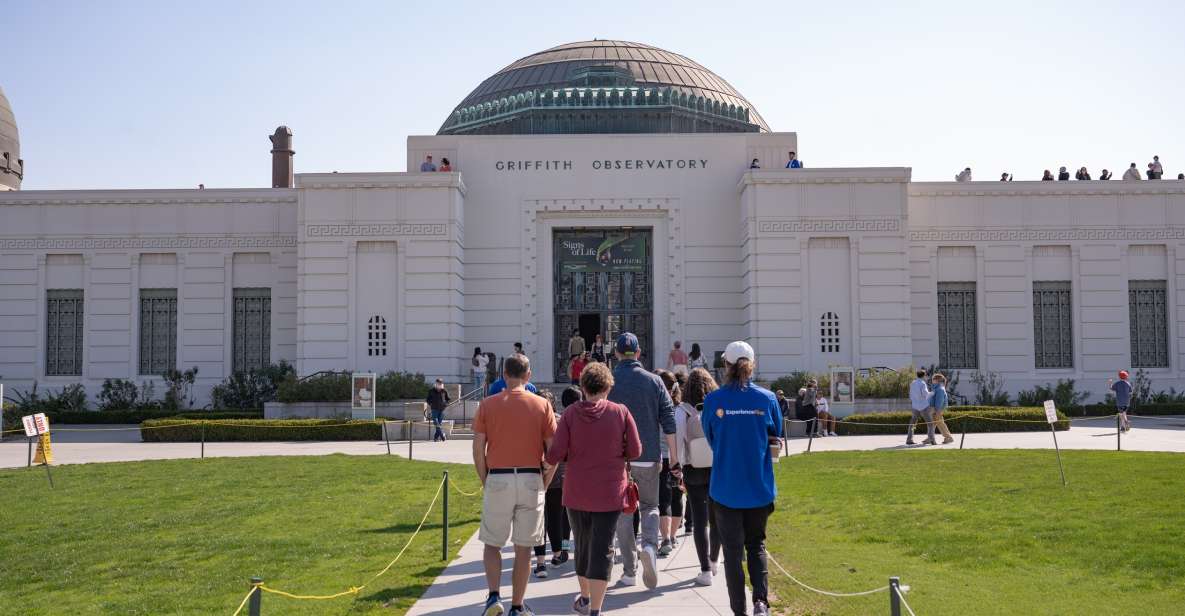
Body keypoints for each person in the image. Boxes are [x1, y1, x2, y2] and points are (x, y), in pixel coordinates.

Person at [545, 362, 640, 616]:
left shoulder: (570, 414)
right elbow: (635, 450)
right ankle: (595, 608)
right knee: (603, 549)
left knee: (583, 546)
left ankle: (585, 597)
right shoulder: (620, 412)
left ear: (583, 387)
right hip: (609, 492)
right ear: (608, 387)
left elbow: (555, 453)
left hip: (576, 491)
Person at [472, 353, 558, 616]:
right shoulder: (542, 405)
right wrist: (544, 482)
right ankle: (517, 606)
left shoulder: (487, 404)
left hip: (498, 476)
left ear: (504, 375)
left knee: (492, 543)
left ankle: (493, 596)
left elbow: (478, 450)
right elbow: (554, 453)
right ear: (528, 375)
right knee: (524, 548)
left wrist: (486, 479)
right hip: (531, 477)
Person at [701, 341, 781, 616]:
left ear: (726, 365)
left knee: (732, 554)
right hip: (759, 487)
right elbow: (776, 435)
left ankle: (739, 610)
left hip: (726, 488)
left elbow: (711, 438)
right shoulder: (767, 399)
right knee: (756, 545)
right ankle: (761, 602)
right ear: (752, 364)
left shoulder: (713, 400)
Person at [608, 332, 678, 590]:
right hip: (648, 456)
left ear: (617, 354)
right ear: (638, 353)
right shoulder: (655, 381)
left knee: (623, 513)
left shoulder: (609, 381)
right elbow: (668, 421)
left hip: (617, 460)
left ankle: (629, 571)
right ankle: (649, 545)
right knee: (650, 506)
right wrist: (675, 459)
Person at [677, 367, 722, 586]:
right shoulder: (718, 407)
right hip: (716, 467)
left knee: (699, 520)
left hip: (692, 467)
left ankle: (704, 570)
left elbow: (678, 443)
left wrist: (678, 468)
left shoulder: (682, 410)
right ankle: (714, 560)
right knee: (717, 518)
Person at [533, 390, 571, 578]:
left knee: (541, 520)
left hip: (539, 476)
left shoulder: (533, 422)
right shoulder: (562, 421)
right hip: (559, 477)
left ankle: (542, 561)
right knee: (559, 519)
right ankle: (560, 551)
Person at [655, 370, 685, 558]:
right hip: (679, 458)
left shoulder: (655, 407)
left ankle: (666, 538)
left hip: (660, 457)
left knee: (663, 499)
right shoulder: (682, 410)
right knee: (677, 498)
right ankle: (672, 537)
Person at [907, 369, 936, 446]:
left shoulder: (913, 383)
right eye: (926, 375)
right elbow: (926, 394)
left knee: (913, 424)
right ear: (924, 376)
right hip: (923, 406)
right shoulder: (923, 383)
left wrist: (914, 401)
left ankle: (909, 439)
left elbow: (910, 394)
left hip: (914, 406)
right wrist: (933, 393)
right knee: (930, 423)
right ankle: (932, 440)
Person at [930, 373, 954, 444]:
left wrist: (937, 410)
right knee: (933, 423)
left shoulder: (939, 389)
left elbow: (939, 401)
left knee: (940, 423)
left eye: (933, 379)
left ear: (937, 380)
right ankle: (930, 437)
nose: (932, 380)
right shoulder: (937, 388)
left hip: (938, 409)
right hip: (936, 409)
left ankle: (948, 437)